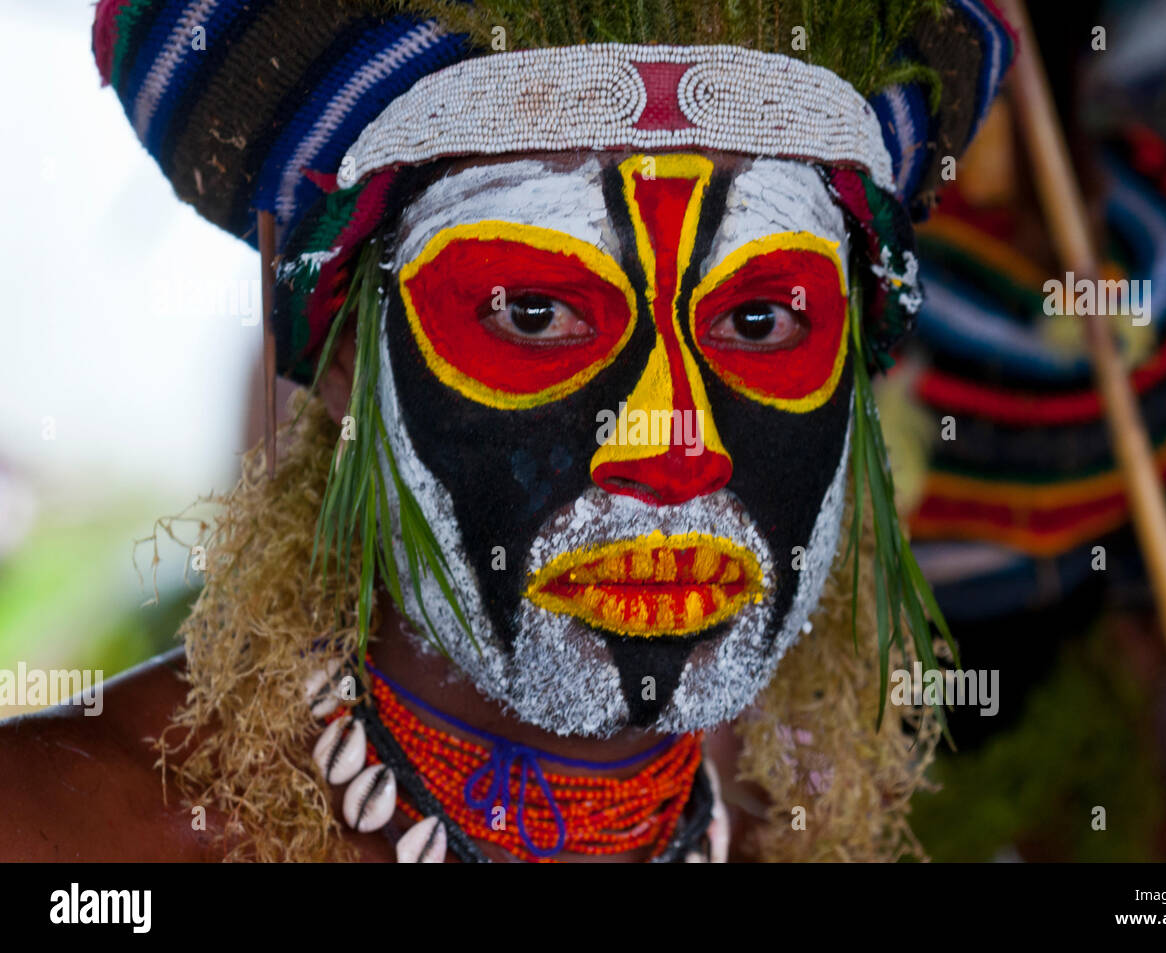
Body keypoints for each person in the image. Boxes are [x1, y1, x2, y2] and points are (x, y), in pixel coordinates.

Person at [0, 0, 1012, 862]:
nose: (671, 447)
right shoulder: (66, 834)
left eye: (758, 320)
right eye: (532, 312)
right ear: (339, 352)